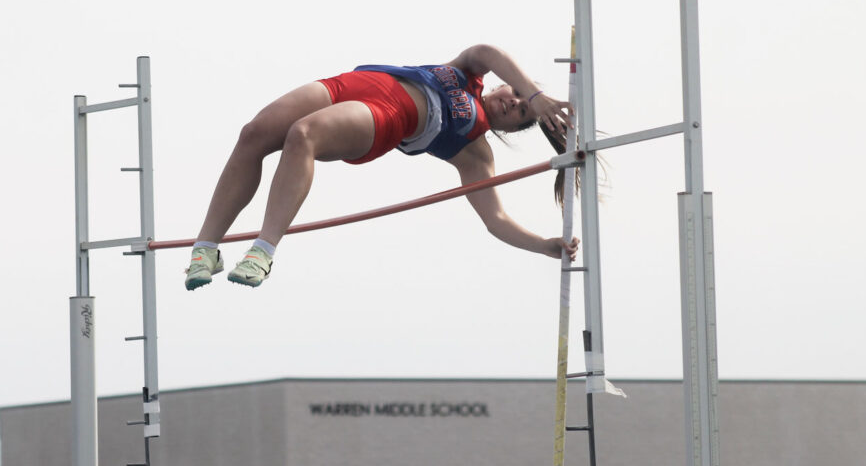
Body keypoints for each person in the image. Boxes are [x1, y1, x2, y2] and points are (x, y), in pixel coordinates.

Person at [184, 43, 579, 290]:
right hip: (357, 83)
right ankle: (206, 248)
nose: (514, 105)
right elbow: (491, 51)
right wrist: (537, 96)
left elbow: (496, 219)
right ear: (504, 86)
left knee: (303, 135)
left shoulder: (474, 150)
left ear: (510, 128)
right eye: (515, 97)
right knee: (253, 133)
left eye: (520, 114)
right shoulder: (467, 70)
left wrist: (544, 246)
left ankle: (263, 252)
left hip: (385, 115)